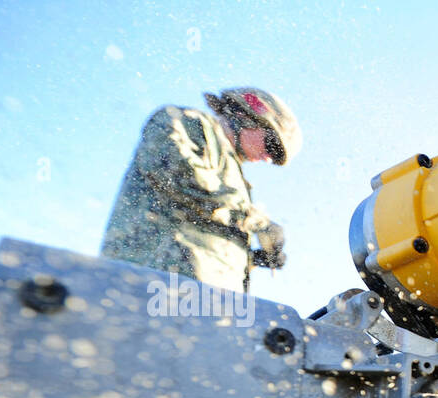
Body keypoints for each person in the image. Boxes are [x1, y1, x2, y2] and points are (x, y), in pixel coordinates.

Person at [101, 86, 300, 292]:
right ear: (247, 115)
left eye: (274, 157)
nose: (268, 157)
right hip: (150, 285)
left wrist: (248, 255)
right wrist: (257, 222)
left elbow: (203, 230)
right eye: (272, 145)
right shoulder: (186, 123)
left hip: (202, 301)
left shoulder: (233, 173)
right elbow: (180, 179)